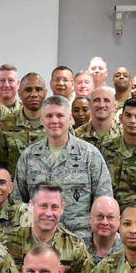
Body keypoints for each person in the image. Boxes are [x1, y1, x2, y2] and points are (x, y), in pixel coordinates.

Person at [12, 96, 112, 248]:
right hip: (39, 243)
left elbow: (103, 201)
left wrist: (99, 242)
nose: (54, 120)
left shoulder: (89, 154)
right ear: (41, 120)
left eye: (60, 115)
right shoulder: (29, 155)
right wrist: (27, 237)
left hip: (80, 242)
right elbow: (19, 201)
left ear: (70, 119)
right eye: (49, 116)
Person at [0, 184, 93, 273]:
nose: (48, 213)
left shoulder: (75, 247)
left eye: (54, 207)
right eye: (43, 206)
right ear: (31, 206)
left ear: (62, 208)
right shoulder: (7, 240)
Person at [0, 72, 47, 174]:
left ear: (45, 93)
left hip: (51, 188)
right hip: (16, 188)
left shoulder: (57, 124)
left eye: (38, 89)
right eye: (28, 90)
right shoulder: (4, 126)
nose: (34, 94)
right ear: (19, 93)